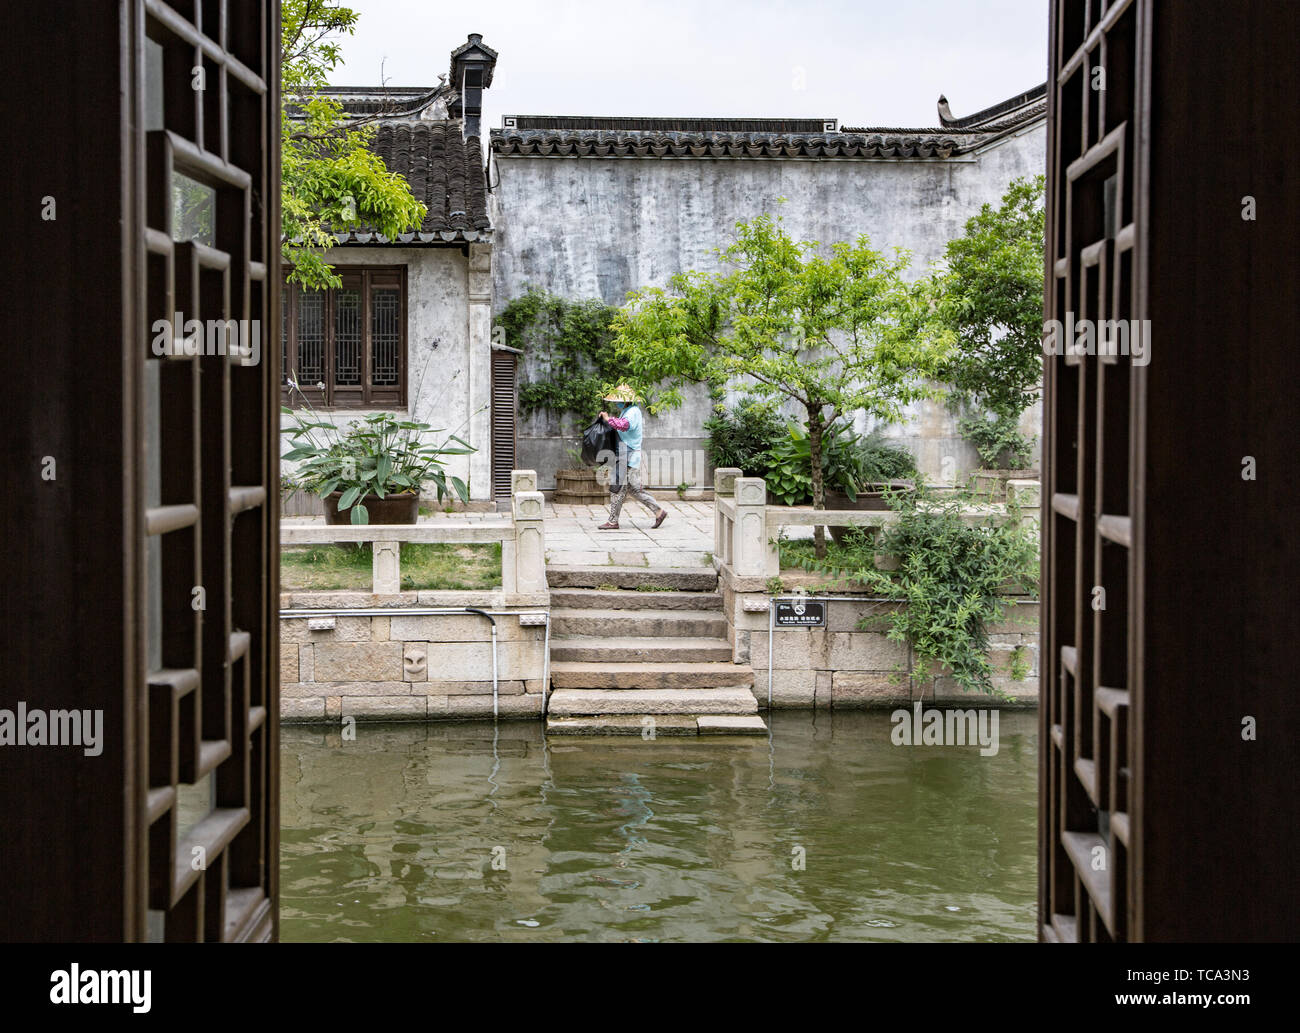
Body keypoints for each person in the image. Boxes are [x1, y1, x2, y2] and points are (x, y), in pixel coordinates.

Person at [596, 384, 668, 530]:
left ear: (625, 400)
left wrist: (608, 418)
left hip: (627, 455)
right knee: (633, 489)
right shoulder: (628, 410)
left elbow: (624, 426)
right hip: (626, 453)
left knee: (617, 488)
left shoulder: (632, 412)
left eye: (618, 400)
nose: (617, 403)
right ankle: (659, 511)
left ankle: (612, 522)